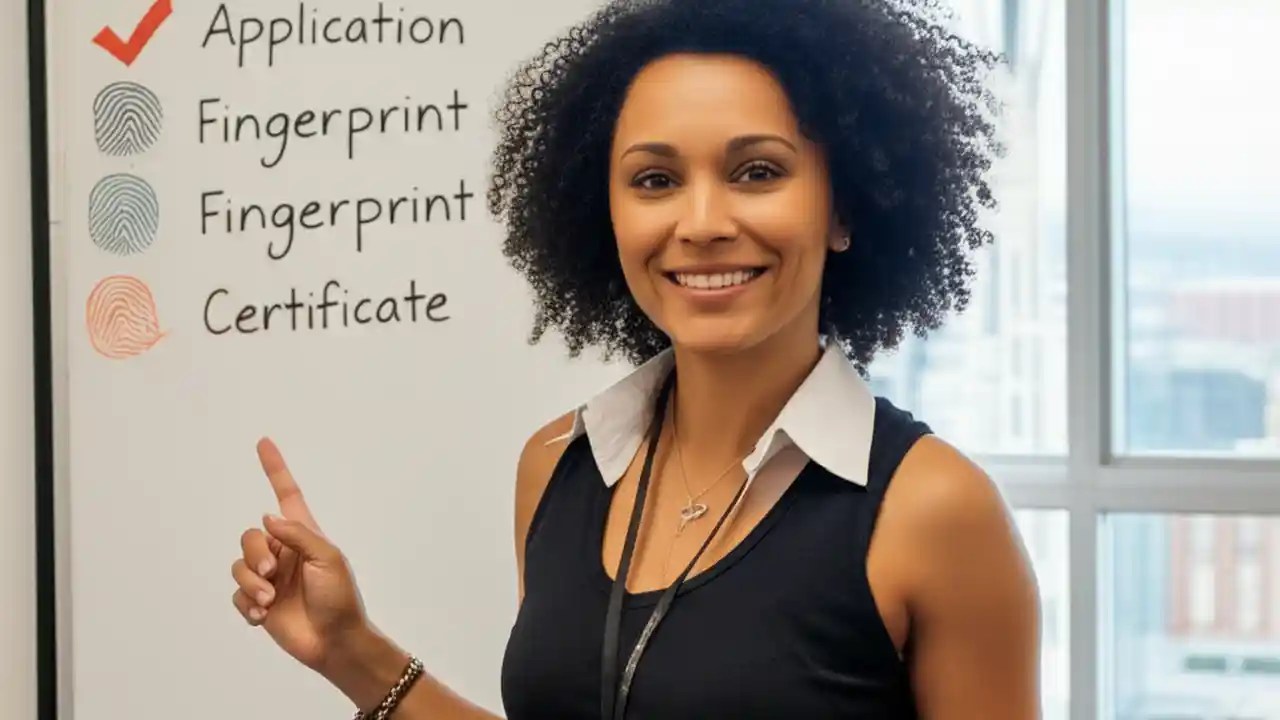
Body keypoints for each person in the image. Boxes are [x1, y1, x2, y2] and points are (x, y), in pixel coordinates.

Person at [229, 0, 1041, 717]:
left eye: (758, 172)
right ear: (603, 212)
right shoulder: (556, 466)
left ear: (845, 207)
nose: (702, 222)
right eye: (654, 180)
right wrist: (352, 653)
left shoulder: (935, 511)